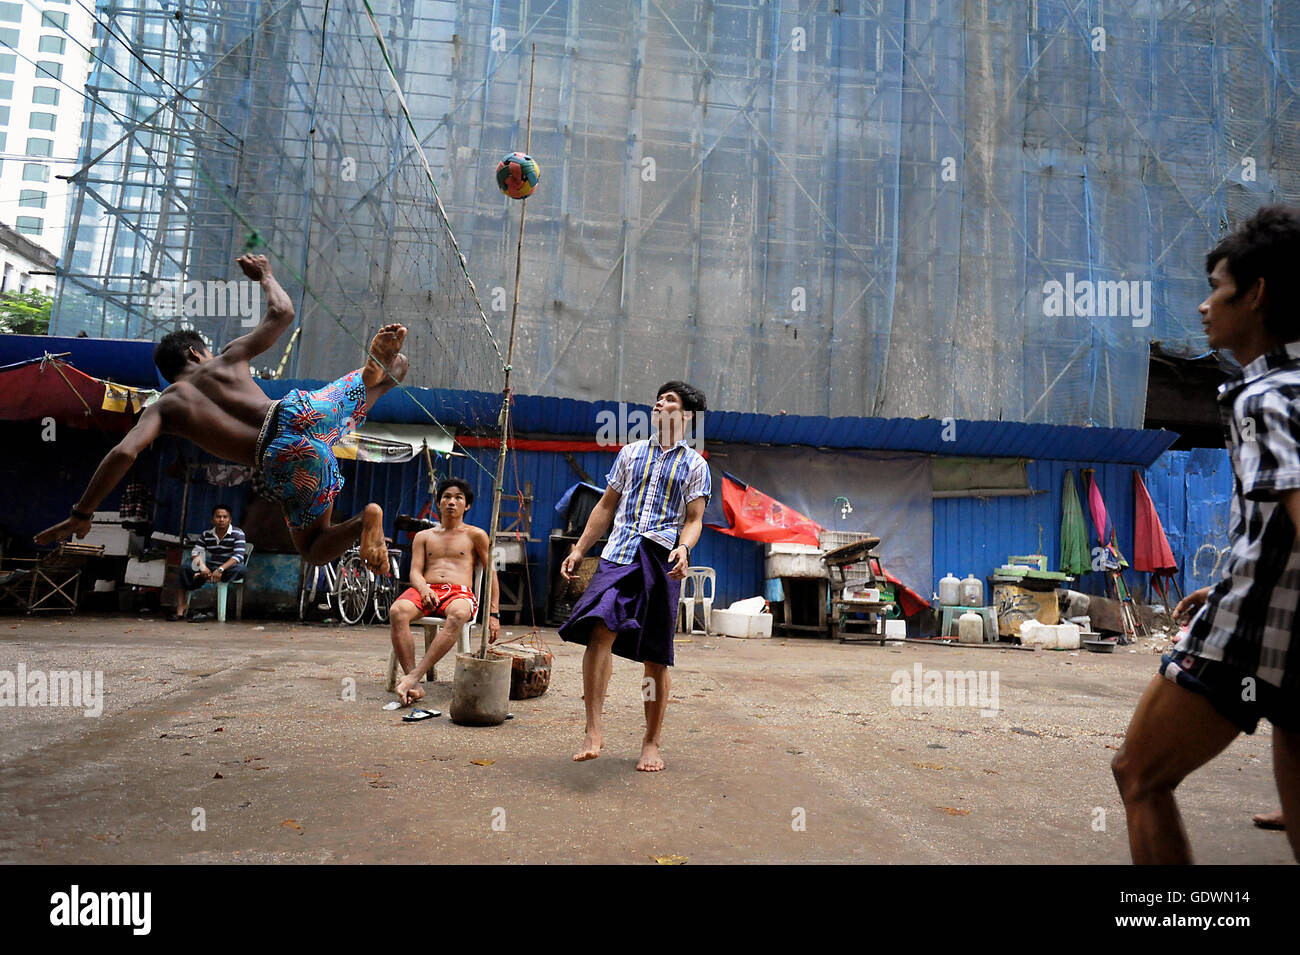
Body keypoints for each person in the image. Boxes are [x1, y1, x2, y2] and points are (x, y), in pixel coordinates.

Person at [1112, 205, 1300, 863]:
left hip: (1253, 636)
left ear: (1257, 295)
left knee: (1139, 773)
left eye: (1218, 288)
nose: (1202, 305)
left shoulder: (1264, 398)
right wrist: (1221, 582)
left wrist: (1234, 599)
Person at [34, 254, 403, 575]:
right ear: (197, 354)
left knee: (314, 548)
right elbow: (283, 312)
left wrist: (82, 512)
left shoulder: (163, 406)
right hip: (302, 412)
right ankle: (369, 376)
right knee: (395, 369)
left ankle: (364, 520)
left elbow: (124, 453)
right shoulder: (228, 358)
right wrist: (265, 276)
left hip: (285, 459)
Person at [558, 382, 710, 772]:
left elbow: (694, 519)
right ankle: (594, 729)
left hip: (660, 559)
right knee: (599, 628)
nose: (660, 404)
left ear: (687, 416)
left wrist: (684, 548)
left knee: (654, 657)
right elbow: (605, 507)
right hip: (618, 555)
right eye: (658, 400)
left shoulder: (695, 465)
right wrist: (579, 549)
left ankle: (651, 741)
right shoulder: (630, 453)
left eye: (670, 401)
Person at [389, 478, 500, 705]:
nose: (451, 502)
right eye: (446, 497)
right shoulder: (424, 536)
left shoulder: (475, 535)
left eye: (458, 498)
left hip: (459, 593)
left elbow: (491, 574)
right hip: (426, 590)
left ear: (467, 505)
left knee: (459, 614)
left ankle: (412, 676)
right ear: (438, 502)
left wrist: (493, 613)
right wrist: (423, 588)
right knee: (397, 611)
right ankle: (416, 684)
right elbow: (415, 572)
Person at [174, 504, 247, 620]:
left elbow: (237, 556)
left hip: (228, 567)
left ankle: (204, 577)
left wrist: (221, 569)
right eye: (218, 517)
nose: (221, 520)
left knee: (241, 569)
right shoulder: (206, 535)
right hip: (212, 566)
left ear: (230, 519)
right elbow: (196, 553)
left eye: (225, 517)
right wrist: (202, 567)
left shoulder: (238, 534)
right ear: (212, 519)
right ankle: (181, 606)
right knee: (185, 566)